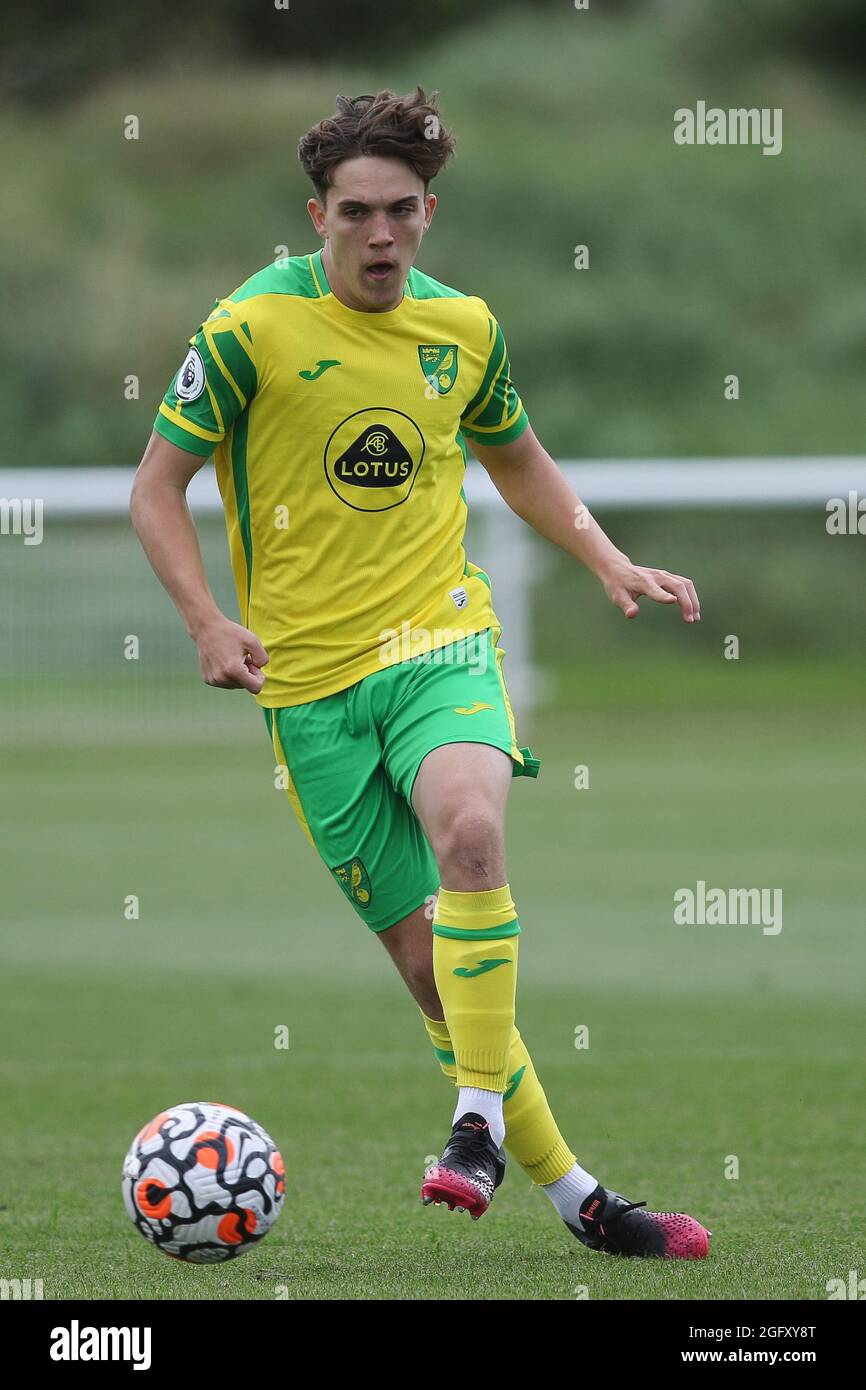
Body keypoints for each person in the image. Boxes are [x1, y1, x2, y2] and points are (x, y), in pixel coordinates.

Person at [131, 87, 709, 1258]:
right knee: (433, 977)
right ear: (317, 215)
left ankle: (474, 1122)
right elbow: (154, 491)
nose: (381, 235)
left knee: (472, 838)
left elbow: (520, 457)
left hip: (436, 644)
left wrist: (606, 555)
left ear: (428, 213)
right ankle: (580, 1201)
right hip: (307, 691)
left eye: (401, 211)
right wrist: (204, 621)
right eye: (356, 214)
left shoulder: (465, 330)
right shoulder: (246, 330)